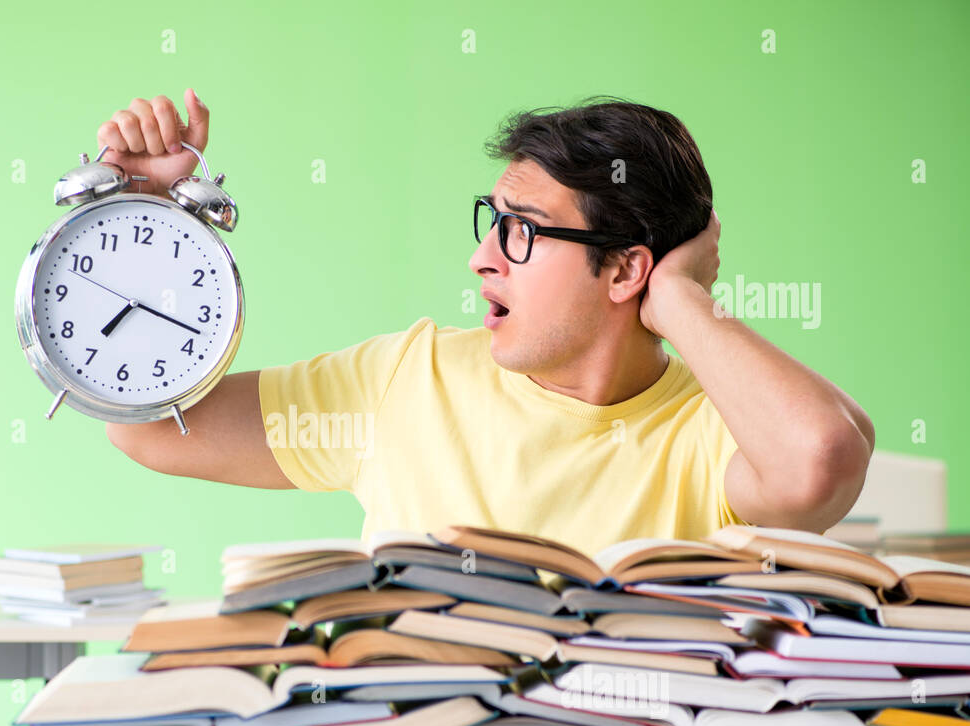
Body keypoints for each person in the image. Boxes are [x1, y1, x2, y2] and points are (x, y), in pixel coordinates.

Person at [96, 89, 875, 556]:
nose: (481, 258)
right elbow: (147, 429)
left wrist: (681, 302)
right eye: (490, 220)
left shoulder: (709, 435)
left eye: (522, 231)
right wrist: (145, 220)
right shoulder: (402, 383)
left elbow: (824, 457)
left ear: (626, 269)